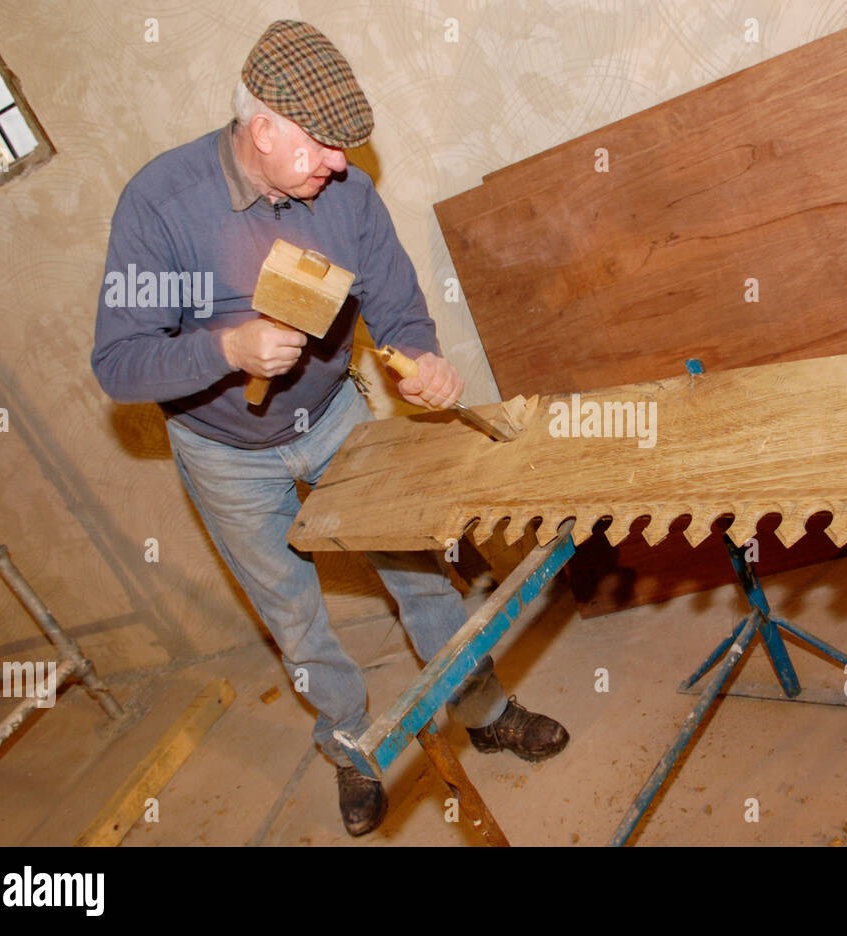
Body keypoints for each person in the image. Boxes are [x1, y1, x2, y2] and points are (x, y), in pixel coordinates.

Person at [91, 20, 568, 837]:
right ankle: (355, 750)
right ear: (262, 127)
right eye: (323, 146)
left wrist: (419, 356)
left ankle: (484, 709)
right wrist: (226, 347)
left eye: (347, 149)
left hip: (336, 415)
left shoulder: (343, 194)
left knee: (419, 570)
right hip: (224, 453)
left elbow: (391, 295)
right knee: (293, 616)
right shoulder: (160, 205)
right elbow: (119, 363)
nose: (342, 164)